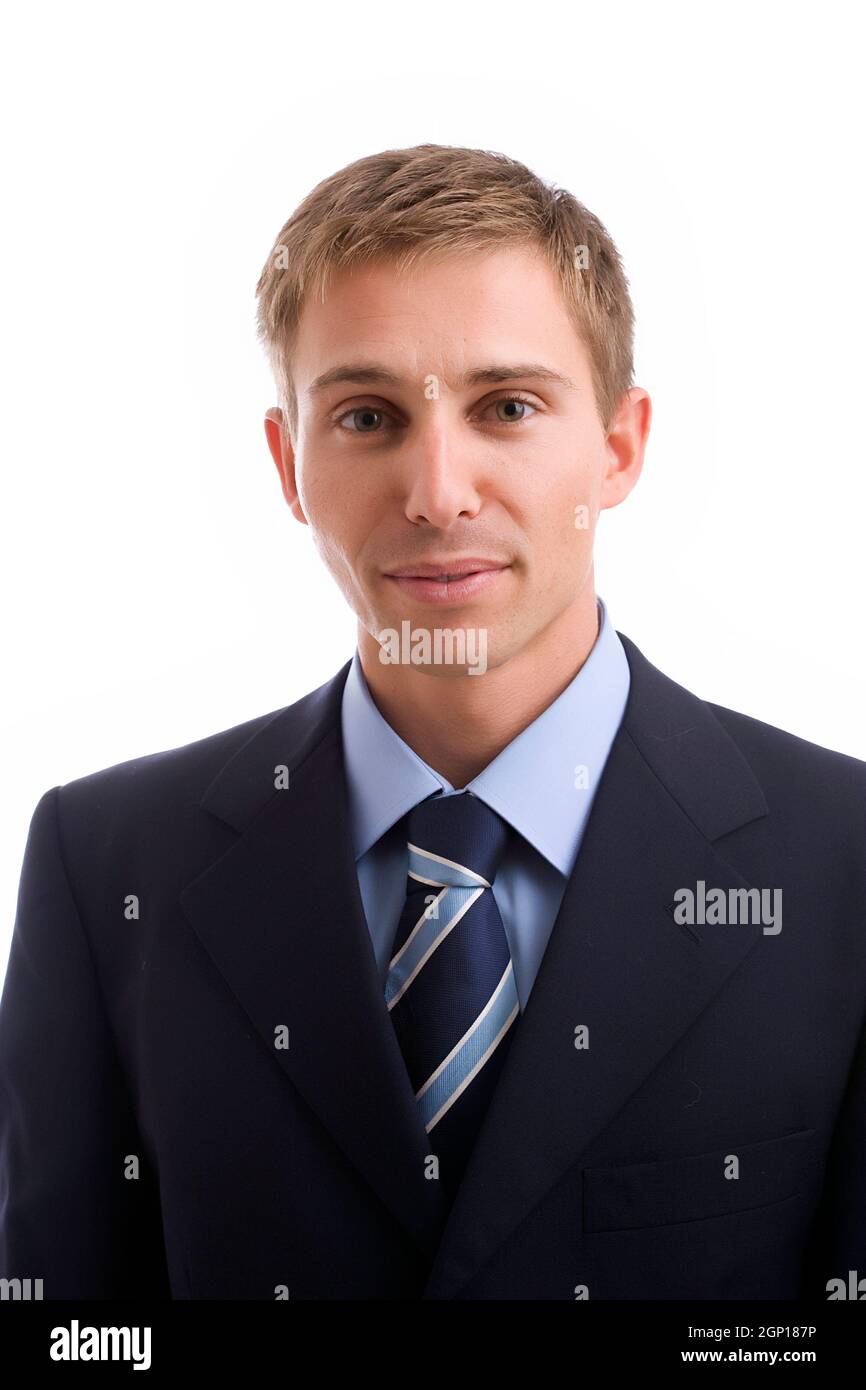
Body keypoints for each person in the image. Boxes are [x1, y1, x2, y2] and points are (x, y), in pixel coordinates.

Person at [2, 143, 864, 1301]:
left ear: (617, 446)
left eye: (506, 407)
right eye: (366, 416)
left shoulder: (841, 860)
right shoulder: (105, 862)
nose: (436, 492)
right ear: (287, 464)